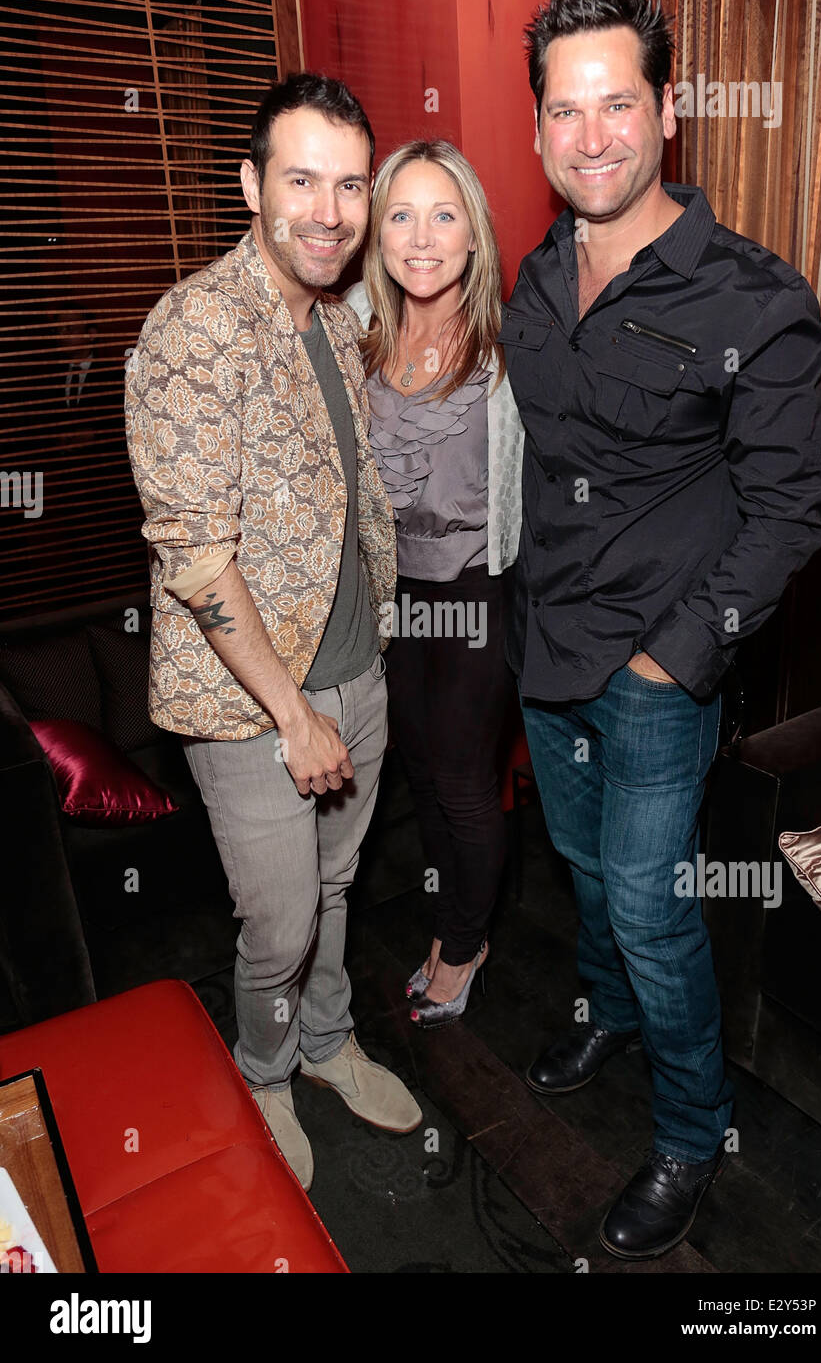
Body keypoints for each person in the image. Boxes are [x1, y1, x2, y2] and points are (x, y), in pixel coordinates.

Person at [500, 0, 821, 1259]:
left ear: (668, 112)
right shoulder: (533, 283)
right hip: (547, 649)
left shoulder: (751, 299)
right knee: (582, 872)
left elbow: (790, 508)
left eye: (616, 105)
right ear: (537, 129)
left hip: (657, 666)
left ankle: (692, 1133)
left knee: (646, 899)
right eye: (564, 111)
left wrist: (671, 659)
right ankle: (609, 1011)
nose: (590, 138)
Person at [125, 73, 422, 1192]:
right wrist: (291, 714)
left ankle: (330, 1041)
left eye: (349, 185)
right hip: (253, 703)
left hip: (355, 672)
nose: (327, 211)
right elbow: (194, 551)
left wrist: (371, 651)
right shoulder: (198, 327)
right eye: (300, 179)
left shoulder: (338, 325)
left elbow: (347, 501)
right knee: (281, 919)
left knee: (337, 890)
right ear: (252, 184)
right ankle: (262, 1071)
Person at [344, 140, 524, 1028]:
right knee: (420, 770)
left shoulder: (508, 348)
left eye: (443, 214)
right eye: (401, 215)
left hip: (478, 592)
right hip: (396, 597)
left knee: (460, 779)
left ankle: (463, 947)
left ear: (473, 234)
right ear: (377, 234)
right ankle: (455, 922)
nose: (422, 237)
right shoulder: (359, 342)